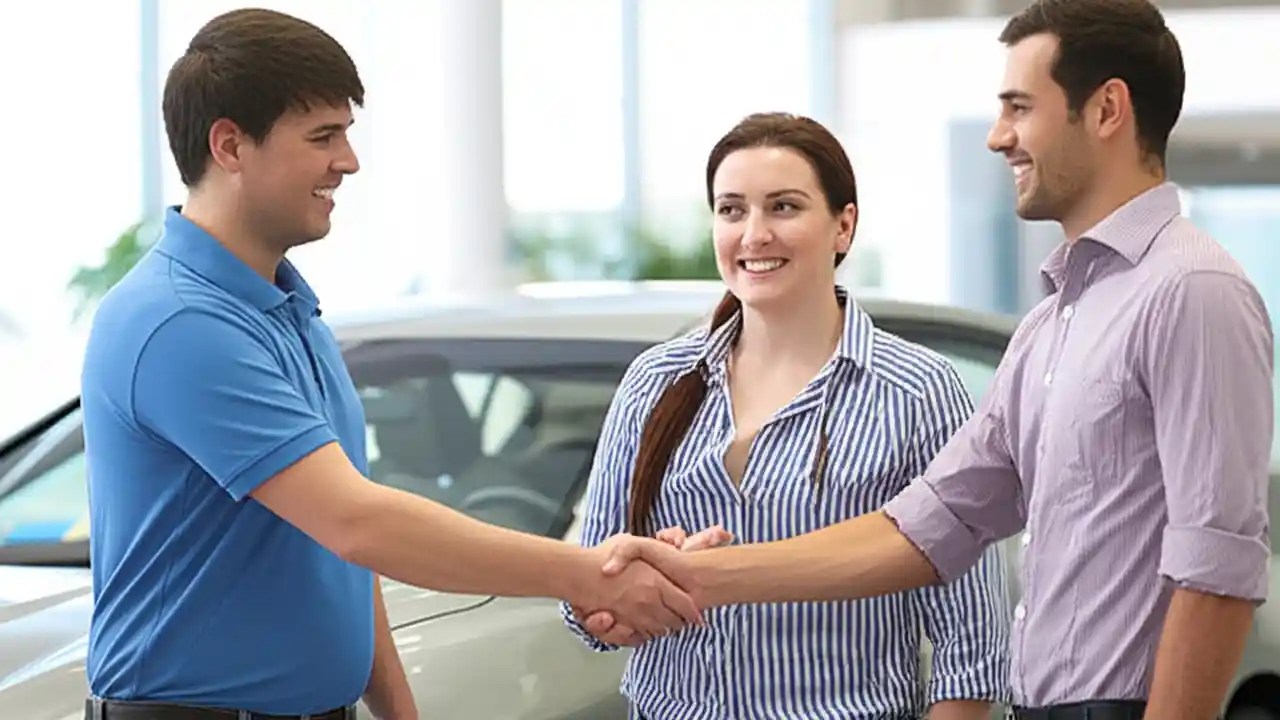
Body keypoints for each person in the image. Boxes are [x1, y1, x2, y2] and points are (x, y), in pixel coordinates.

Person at [599, 2, 1274, 719]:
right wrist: (700, 574)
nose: (997, 137)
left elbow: (1217, 568)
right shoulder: (1052, 322)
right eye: (730, 210)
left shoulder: (1192, 291)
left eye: (1019, 107)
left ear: (1107, 109)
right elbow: (929, 523)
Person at [79, 9, 699, 720]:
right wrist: (590, 574)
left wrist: (397, 713)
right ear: (230, 146)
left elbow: (342, 547)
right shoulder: (181, 321)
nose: (348, 160)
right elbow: (360, 523)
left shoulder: (289, 312)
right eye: (323, 137)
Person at [563, 112, 1012, 720]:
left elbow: (972, 642)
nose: (753, 235)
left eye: (783, 207)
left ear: (843, 227)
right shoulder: (654, 381)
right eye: (731, 210)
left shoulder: (917, 392)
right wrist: (633, 592)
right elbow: (586, 604)